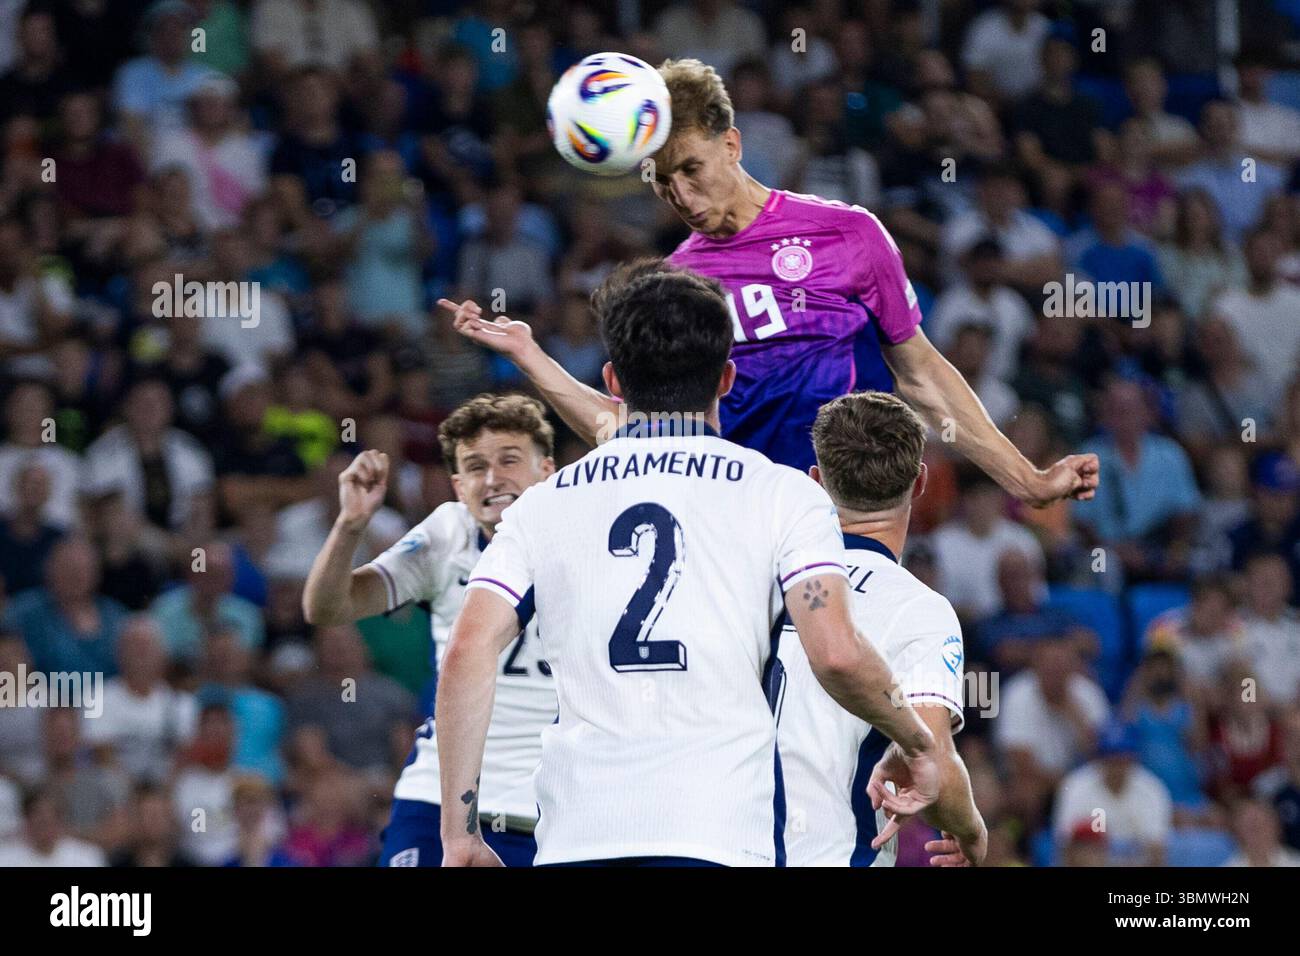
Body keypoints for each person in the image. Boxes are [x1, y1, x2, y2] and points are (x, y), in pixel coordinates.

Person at [435, 267, 940, 867]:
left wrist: (460, 833)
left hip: (577, 838)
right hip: (722, 835)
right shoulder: (780, 493)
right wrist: (917, 741)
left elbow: (467, 653)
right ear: (726, 378)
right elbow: (835, 653)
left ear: (613, 379)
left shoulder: (545, 503)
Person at [439, 58, 1097, 509]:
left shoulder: (850, 234)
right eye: (663, 181)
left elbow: (921, 374)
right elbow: (633, 427)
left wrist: (1025, 479)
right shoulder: (680, 283)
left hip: (837, 523)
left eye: (693, 169)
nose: (683, 195)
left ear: (733, 144)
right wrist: (530, 355)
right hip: (728, 533)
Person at [302, 393, 559, 867]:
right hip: (437, 802)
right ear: (458, 486)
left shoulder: (586, 535)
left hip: (554, 811)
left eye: (509, 460)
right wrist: (350, 526)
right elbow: (327, 607)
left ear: (547, 470)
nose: (492, 478)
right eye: (475, 466)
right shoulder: (448, 534)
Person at [775, 391, 987, 867]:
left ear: (816, 482)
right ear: (919, 483)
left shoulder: (753, 582)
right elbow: (931, 759)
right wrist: (971, 831)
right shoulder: (919, 610)